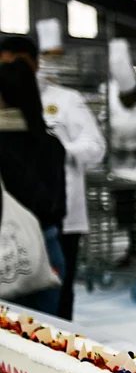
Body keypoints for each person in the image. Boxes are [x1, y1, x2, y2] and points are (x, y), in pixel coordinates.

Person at [0, 20, 106, 322]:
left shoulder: (66, 100)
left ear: (33, 63)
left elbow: (95, 147)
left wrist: (61, 152)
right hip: (17, 227)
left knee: (56, 308)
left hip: (58, 219)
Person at [0, 58, 67, 313]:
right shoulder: (51, 143)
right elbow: (59, 208)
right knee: (44, 343)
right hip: (48, 252)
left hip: (8, 254)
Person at [107, 39, 136, 269]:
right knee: (123, 215)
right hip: (117, 171)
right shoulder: (116, 110)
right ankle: (133, 248)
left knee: (135, 215)